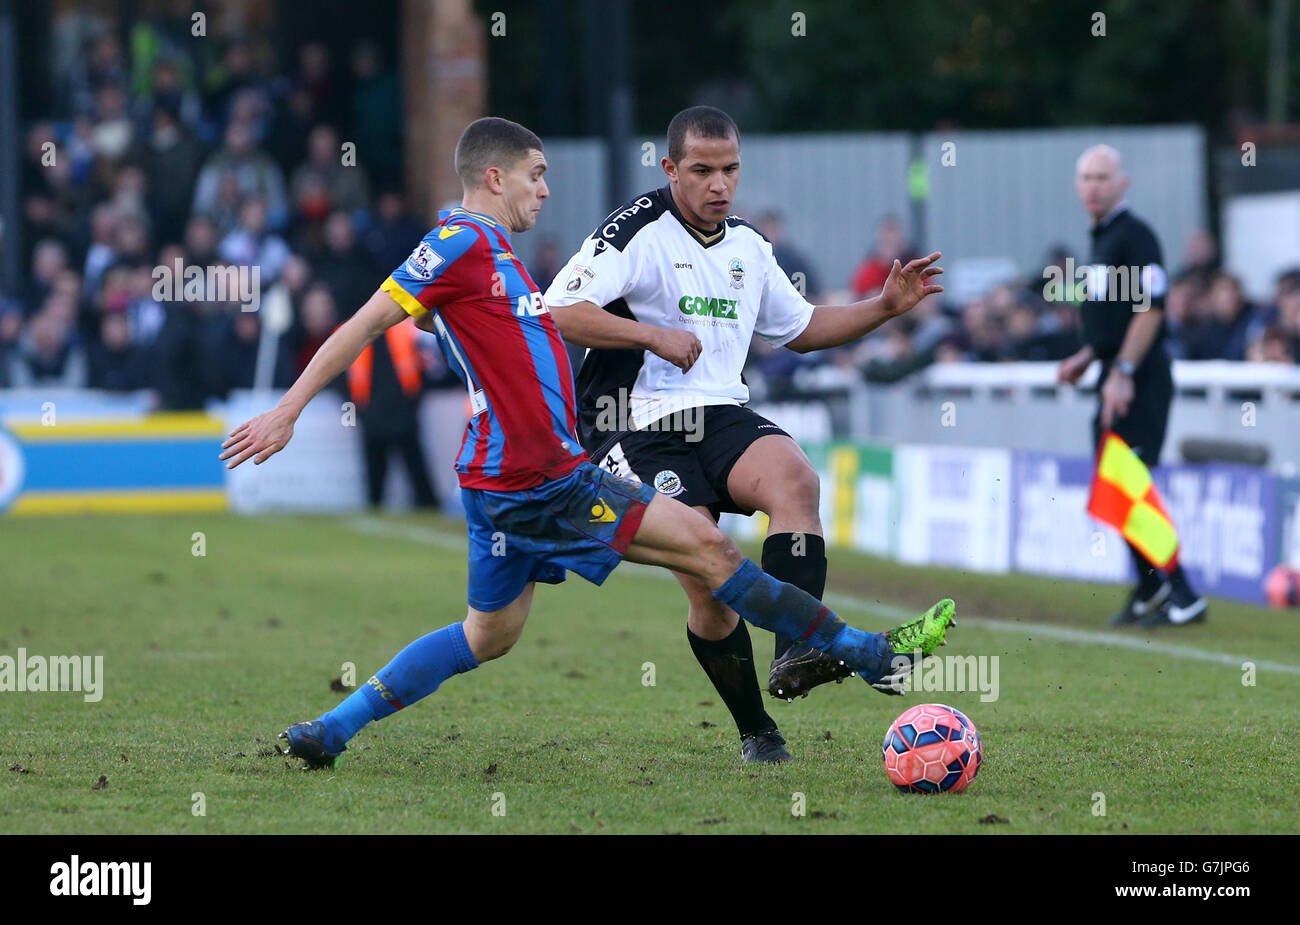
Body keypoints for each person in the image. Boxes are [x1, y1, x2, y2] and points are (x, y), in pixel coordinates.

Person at [220, 117, 956, 770]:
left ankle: (331, 730)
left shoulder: (493, 256)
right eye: (537, 176)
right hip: (549, 481)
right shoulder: (458, 242)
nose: (545, 191)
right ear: (495, 176)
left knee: (488, 634)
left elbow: (460, 330)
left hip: (498, 480)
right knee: (714, 554)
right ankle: (872, 655)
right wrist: (287, 411)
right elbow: (367, 320)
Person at [543, 106, 947, 762]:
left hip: (717, 411)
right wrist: (650, 333)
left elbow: (802, 329)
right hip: (632, 420)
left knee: (796, 477)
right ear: (671, 169)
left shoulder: (749, 247)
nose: (718, 184)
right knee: (708, 574)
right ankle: (757, 728)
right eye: (701, 170)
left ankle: (798, 654)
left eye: (729, 169)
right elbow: (560, 310)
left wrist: (883, 308)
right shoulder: (634, 231)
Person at [1056, 145, 1207, 627]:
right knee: (1118, 487)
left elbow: (1151, 308)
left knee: (1132, 486)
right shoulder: (1103, 239)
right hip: (1113, 373)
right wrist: (1088, 357)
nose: (1093, 185)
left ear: (1123, 182)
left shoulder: (1135, 236)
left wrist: (1121, 372)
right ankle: (1148, 590)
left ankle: (1182, 594)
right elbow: (1114, 318)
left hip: (1139, 379)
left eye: (1102, 176)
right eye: (1086, 177)